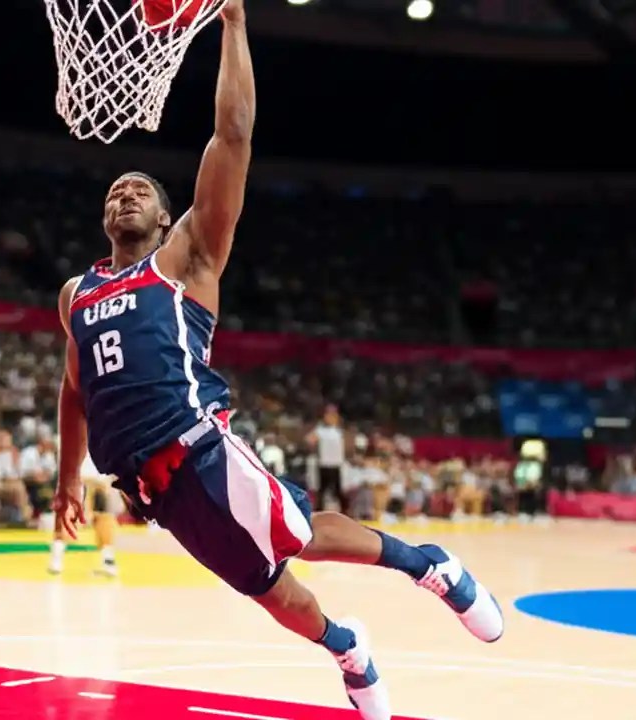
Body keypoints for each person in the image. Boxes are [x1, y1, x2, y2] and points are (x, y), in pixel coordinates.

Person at [50, 2, 503, 717]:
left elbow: (232, 134)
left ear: (167, 217)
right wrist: (66, 477)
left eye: (140, 188)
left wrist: (233, 22)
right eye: (114, 190)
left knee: (301, 534)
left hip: (200, 449)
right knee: (270, 590)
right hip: (152, 491)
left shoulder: (187, 257)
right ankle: (346, 647)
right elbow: (76, 389)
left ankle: (430, 566)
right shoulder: (76, 293)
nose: (125, 192)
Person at [48, 450, 118, 577]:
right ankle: (57, 558)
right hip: (82, 480)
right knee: (70, 518)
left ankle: (108, 560)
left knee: (102, 519)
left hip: (96, 482)